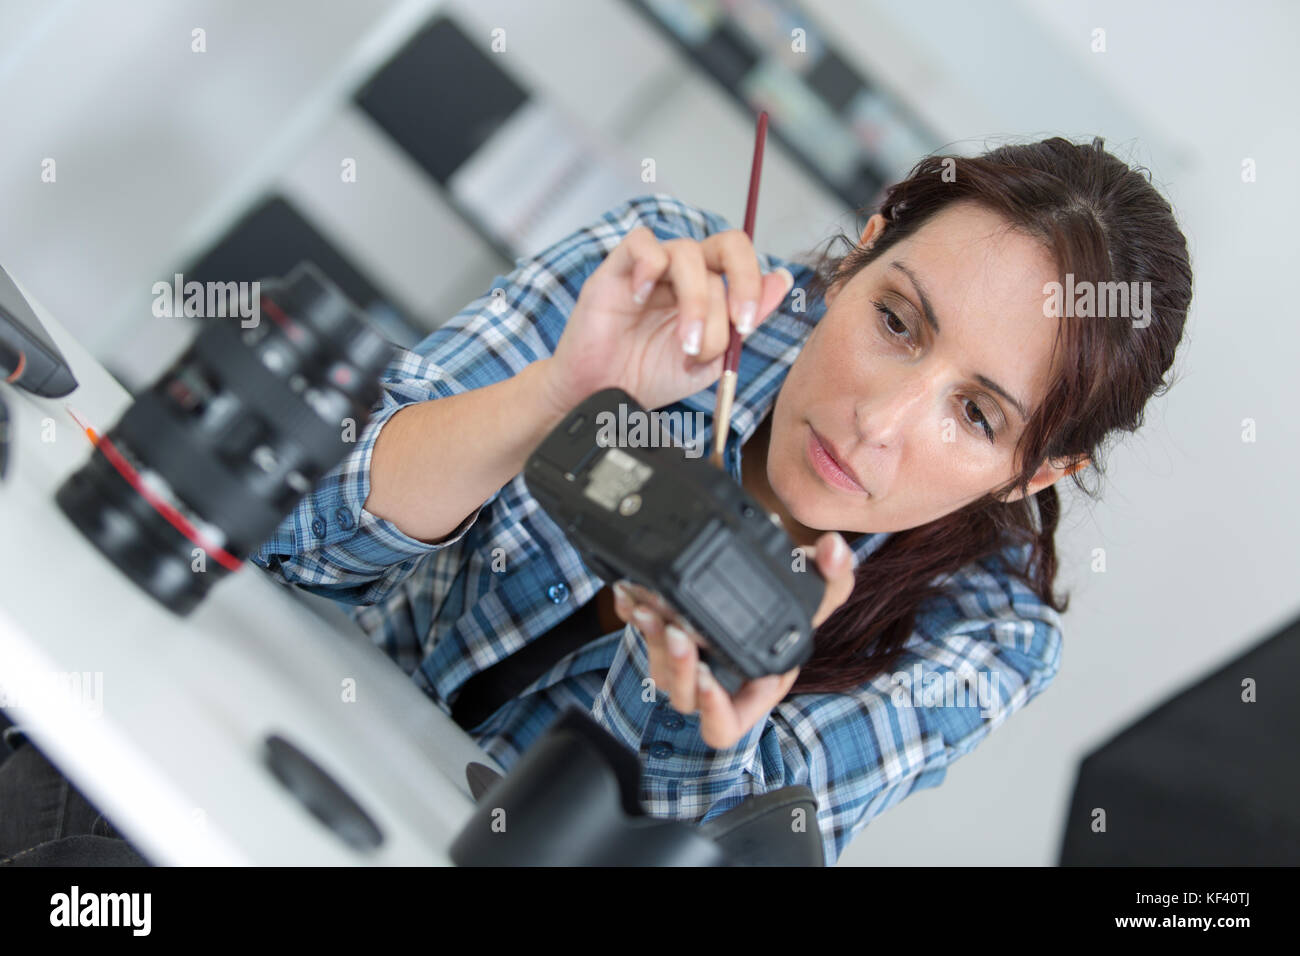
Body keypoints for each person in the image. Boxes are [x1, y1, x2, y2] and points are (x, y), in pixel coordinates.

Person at [2, 135, 1189, 866]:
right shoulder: (666, 283)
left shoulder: (982, 632)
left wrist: (699, 719)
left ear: (1036, 473)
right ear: (861, 250)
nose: (881, 420)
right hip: (234, 729)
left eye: (975, 415)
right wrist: (561, 388)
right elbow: (295, 545)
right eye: (893, 319)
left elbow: (684, 859)